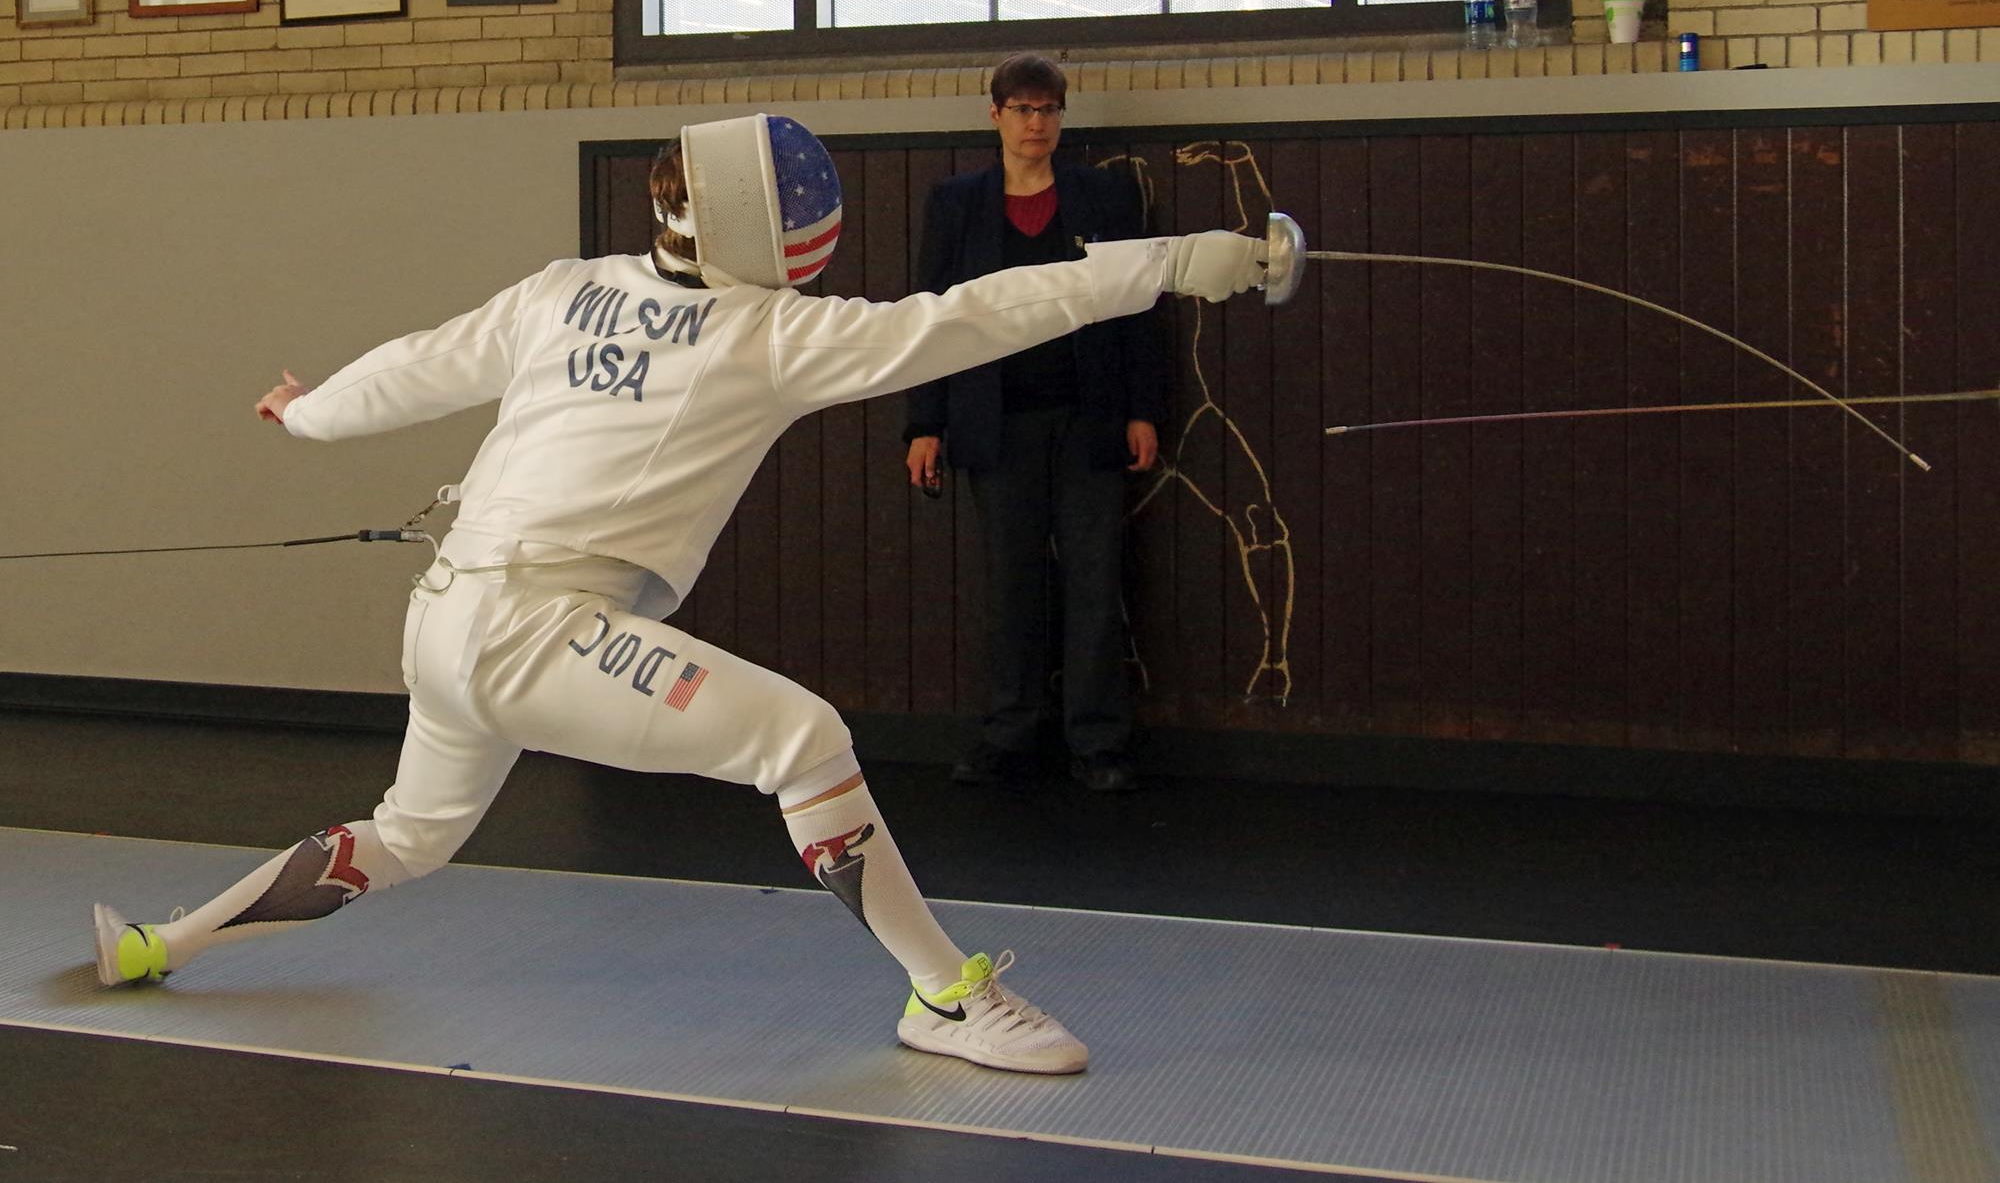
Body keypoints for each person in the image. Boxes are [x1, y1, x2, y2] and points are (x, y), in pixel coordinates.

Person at [90, 112, 1269, 1076]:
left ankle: (160, 942)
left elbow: (413, 365)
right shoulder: (765, 332)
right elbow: (966, 318)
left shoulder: (565, 287)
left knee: (408, 832)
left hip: (445, 619)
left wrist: (304, 409)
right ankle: (944, 996)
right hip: (536, 631)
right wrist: (1174, 261)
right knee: (803, 738)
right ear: (774, 231)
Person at [903, 54, 1166, 795]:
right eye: (1021, 110)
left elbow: (1138, 305)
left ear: (1061, 118)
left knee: (1094, 583)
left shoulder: (1105, 198)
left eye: (1048, 110)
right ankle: (1009, 734)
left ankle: (1099, 744)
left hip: (1090, 417)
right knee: (1009, 586)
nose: (1035, 123)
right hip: (994, 422)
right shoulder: (956, 203)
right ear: (994, 117)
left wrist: (1142, 409)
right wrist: (925, 422)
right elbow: (929, 317)